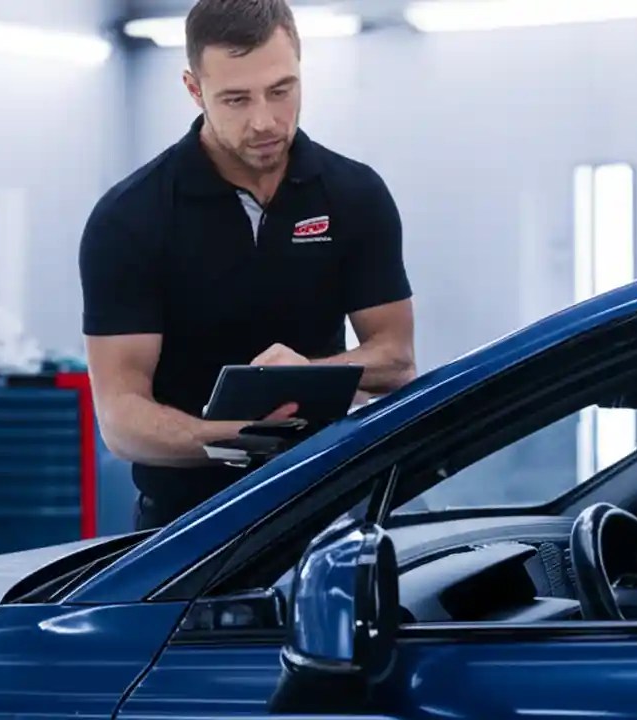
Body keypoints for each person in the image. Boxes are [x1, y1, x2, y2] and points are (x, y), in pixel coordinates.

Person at [79, 0, 416, 531]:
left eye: (281, 91)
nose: (264, 121)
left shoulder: (355, 196)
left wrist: (311, 375)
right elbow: (121, 419)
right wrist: (243, 441)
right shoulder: (131, 218)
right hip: (182, 532)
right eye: (236, 99)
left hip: (325, 512)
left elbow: (396, 362)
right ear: (194, 89)